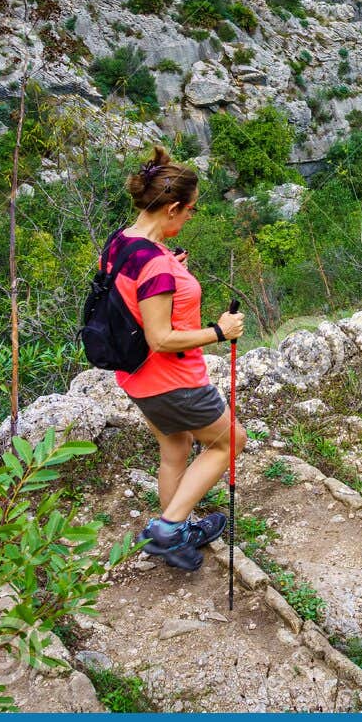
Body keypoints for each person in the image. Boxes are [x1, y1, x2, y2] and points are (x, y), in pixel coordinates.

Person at [103, 145, 246, 571]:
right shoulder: (157, 267)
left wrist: (170, 266)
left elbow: (133, 292)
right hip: (174, 381)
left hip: (137, 380)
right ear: (173, 208)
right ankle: (167, 528)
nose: (189, 218)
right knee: (229, 443)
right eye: (190, 212)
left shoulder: (122, 243)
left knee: (176, 448)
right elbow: (161, 336)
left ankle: (177, 534)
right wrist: (220, 331)